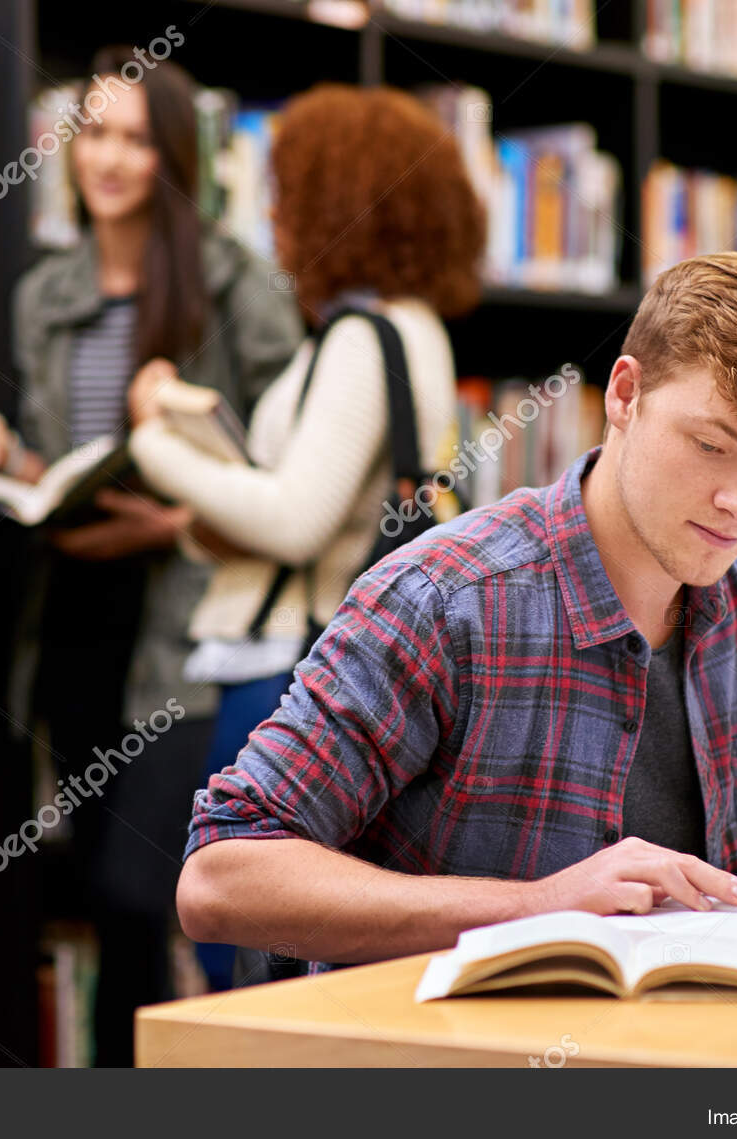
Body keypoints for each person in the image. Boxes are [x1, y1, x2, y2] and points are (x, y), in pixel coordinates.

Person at [173, 251, 737, 968]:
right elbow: (221, 875)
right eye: (711, 446)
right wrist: (537, 909)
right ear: (624, 395)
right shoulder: (445, 600)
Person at [0, 48, 299, 1064]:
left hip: (187, 615)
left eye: (135, 140)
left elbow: (287, 462)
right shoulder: (45, 290)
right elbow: (58, 453)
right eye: (93, 133)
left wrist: (178, 517)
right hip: (70, 611)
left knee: (154, 887)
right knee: (100, 888)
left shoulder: (234, 283)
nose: (107, 158)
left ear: (174, 157)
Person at [124, 87, 486, 963]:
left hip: (286, 661)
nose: (274, 215)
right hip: (315, 644)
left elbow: (296, 520)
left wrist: (153, 441)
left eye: (289, 193)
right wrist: (210, 521)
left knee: (235, 936)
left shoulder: (362, 337)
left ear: (339, 203)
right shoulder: (417, 329)